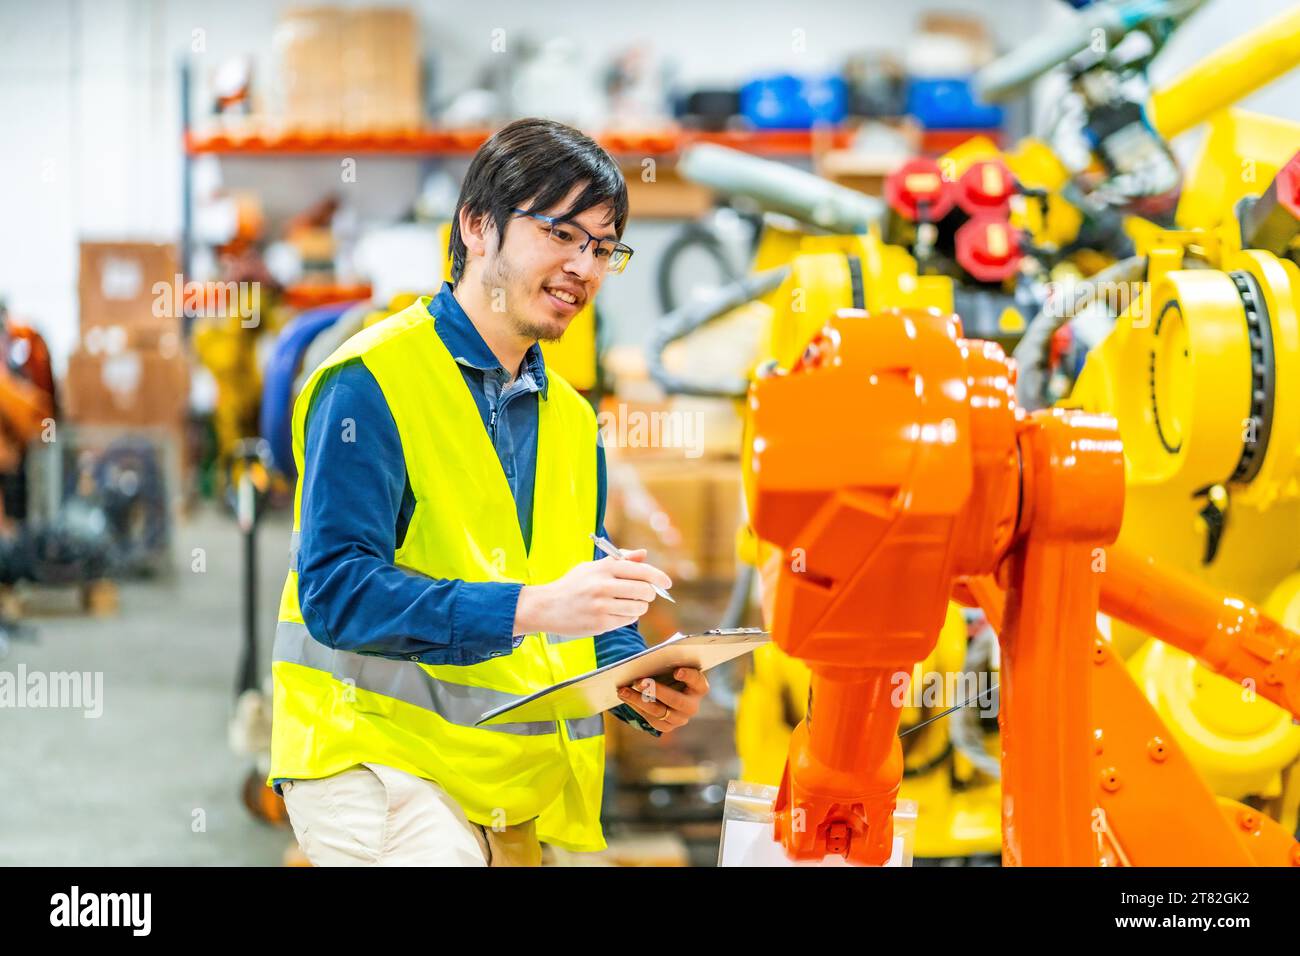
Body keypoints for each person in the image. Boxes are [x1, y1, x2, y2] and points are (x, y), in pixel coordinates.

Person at [268, 118, 710, 866]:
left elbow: (578, 595)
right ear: (478, 226)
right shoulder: (371, 383)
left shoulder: (573, 422)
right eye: (562, 234)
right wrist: (532, 608)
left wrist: (638, 677)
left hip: (511, 779)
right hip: (374, 760)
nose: (585, 266)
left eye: (603, 248)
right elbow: (338, 593)